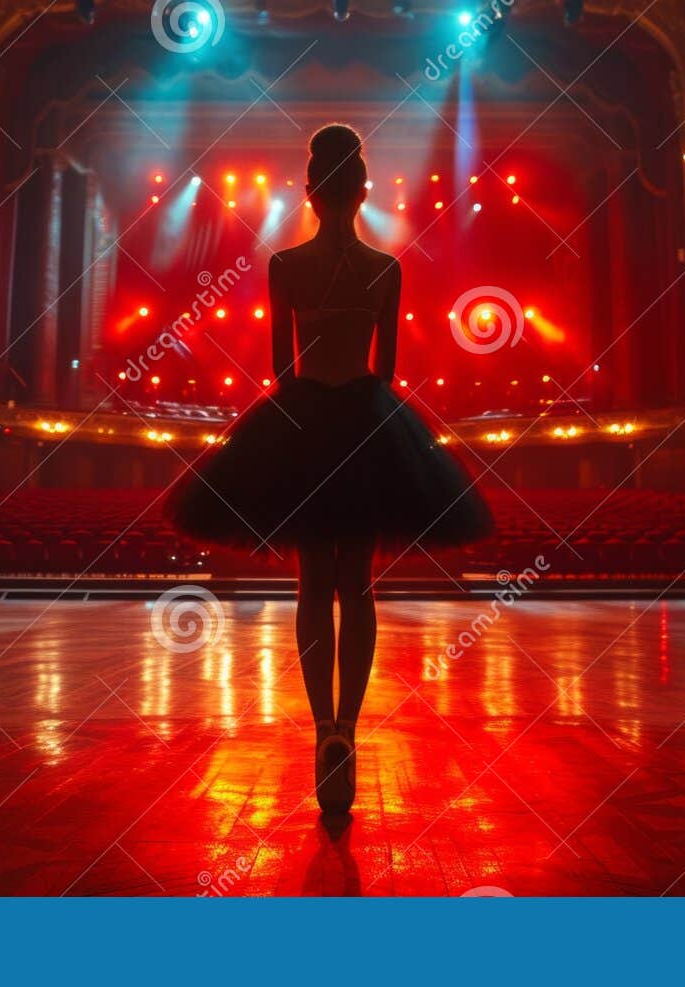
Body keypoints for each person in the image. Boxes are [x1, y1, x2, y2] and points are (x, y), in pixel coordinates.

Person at [167, 123, 494, 816]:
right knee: (359, 586)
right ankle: (348, 722)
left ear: (311, 192)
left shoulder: (284, 266)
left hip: (305, 421)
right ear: (364, 189)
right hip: (370, 421)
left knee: (312, 585)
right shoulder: (387, 269)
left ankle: (322, 729)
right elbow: (389, 370)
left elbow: (282, 369)